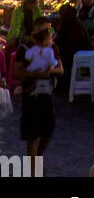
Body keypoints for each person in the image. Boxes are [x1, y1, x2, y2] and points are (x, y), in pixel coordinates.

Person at [13, 24, 63, 165]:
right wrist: (35, 73)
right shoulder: (24, 48)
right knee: (33, 135)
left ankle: (37, 158)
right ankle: (33, 168)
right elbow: (16, 72)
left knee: (48, 131)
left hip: (47, 94)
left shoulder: (52, 48)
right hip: (31, 95)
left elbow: (60, 69)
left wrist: (48, 70)